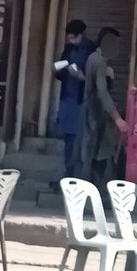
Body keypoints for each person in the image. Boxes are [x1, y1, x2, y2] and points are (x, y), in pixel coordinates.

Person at [81, 27, 127, 193]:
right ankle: (92, 193)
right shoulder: (98, 61)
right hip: (95, 114)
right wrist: (117, 118)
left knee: (98, 153)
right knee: (95, 154)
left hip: (95, 113)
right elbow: (101, 91)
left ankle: (93, 192)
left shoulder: (96, 59)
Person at [55, 18, 94, 180]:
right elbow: (61, 68)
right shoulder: (68, 49)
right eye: (69, 38)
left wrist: (82, 77)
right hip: (67, 98)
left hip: (81, 100)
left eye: (74, 37)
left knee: (80, 138)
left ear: (82, 35)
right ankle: (68, 172)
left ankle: (80, 175)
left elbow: (99, 80)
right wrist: (58, 69)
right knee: (68, 138)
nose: (71, 41)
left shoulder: (92, 50)